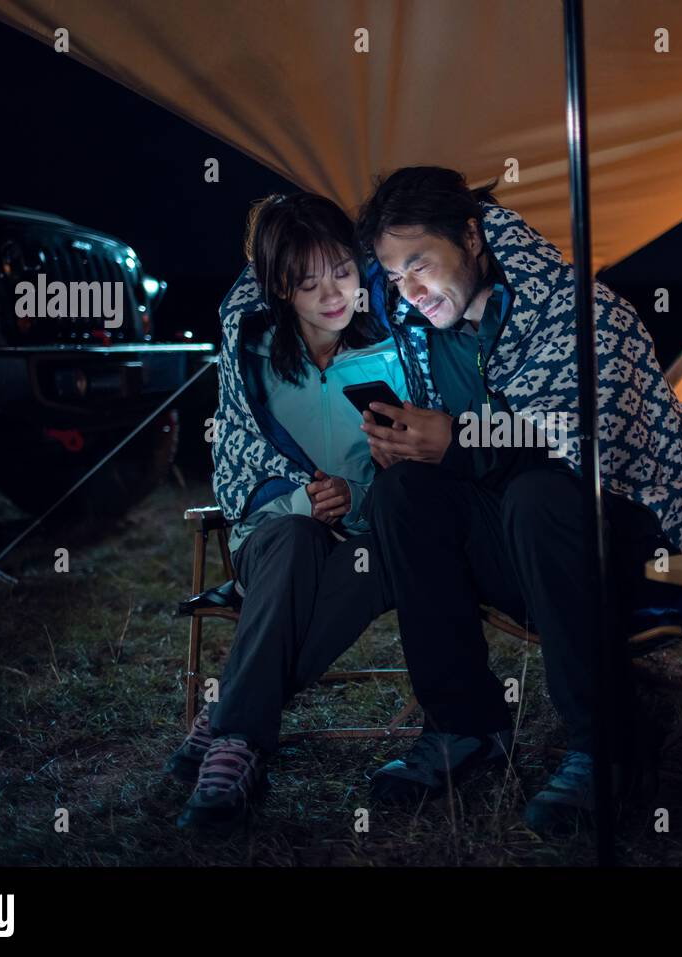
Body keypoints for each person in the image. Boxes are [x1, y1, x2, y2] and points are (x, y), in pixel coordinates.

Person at [353, 166, 682, 835]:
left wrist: (458, 440)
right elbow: (460, 467)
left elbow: (589, 442)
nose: (410, 292)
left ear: (470, 235)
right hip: (522, 555)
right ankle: (464, 726)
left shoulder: (581, 313)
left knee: (541, 493)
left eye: (420, 266)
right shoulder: (429, 340)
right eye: (394, 276)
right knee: (403, 491)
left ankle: (605, 747)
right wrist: (410, 445)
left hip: (628, 537)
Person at [164, 191, 410, 832]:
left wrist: (358, 497)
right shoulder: (255, 359)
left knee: (385, 557)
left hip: (359, 538)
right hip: (272, 541)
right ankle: (240, 733)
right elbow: (236, 465)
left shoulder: (392, 353)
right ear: (279, 287)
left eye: (344, 272)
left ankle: (231, 730)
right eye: (308, 282)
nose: (332, 293)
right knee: (299, 536)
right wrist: (302, 500)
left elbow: (415, 468)